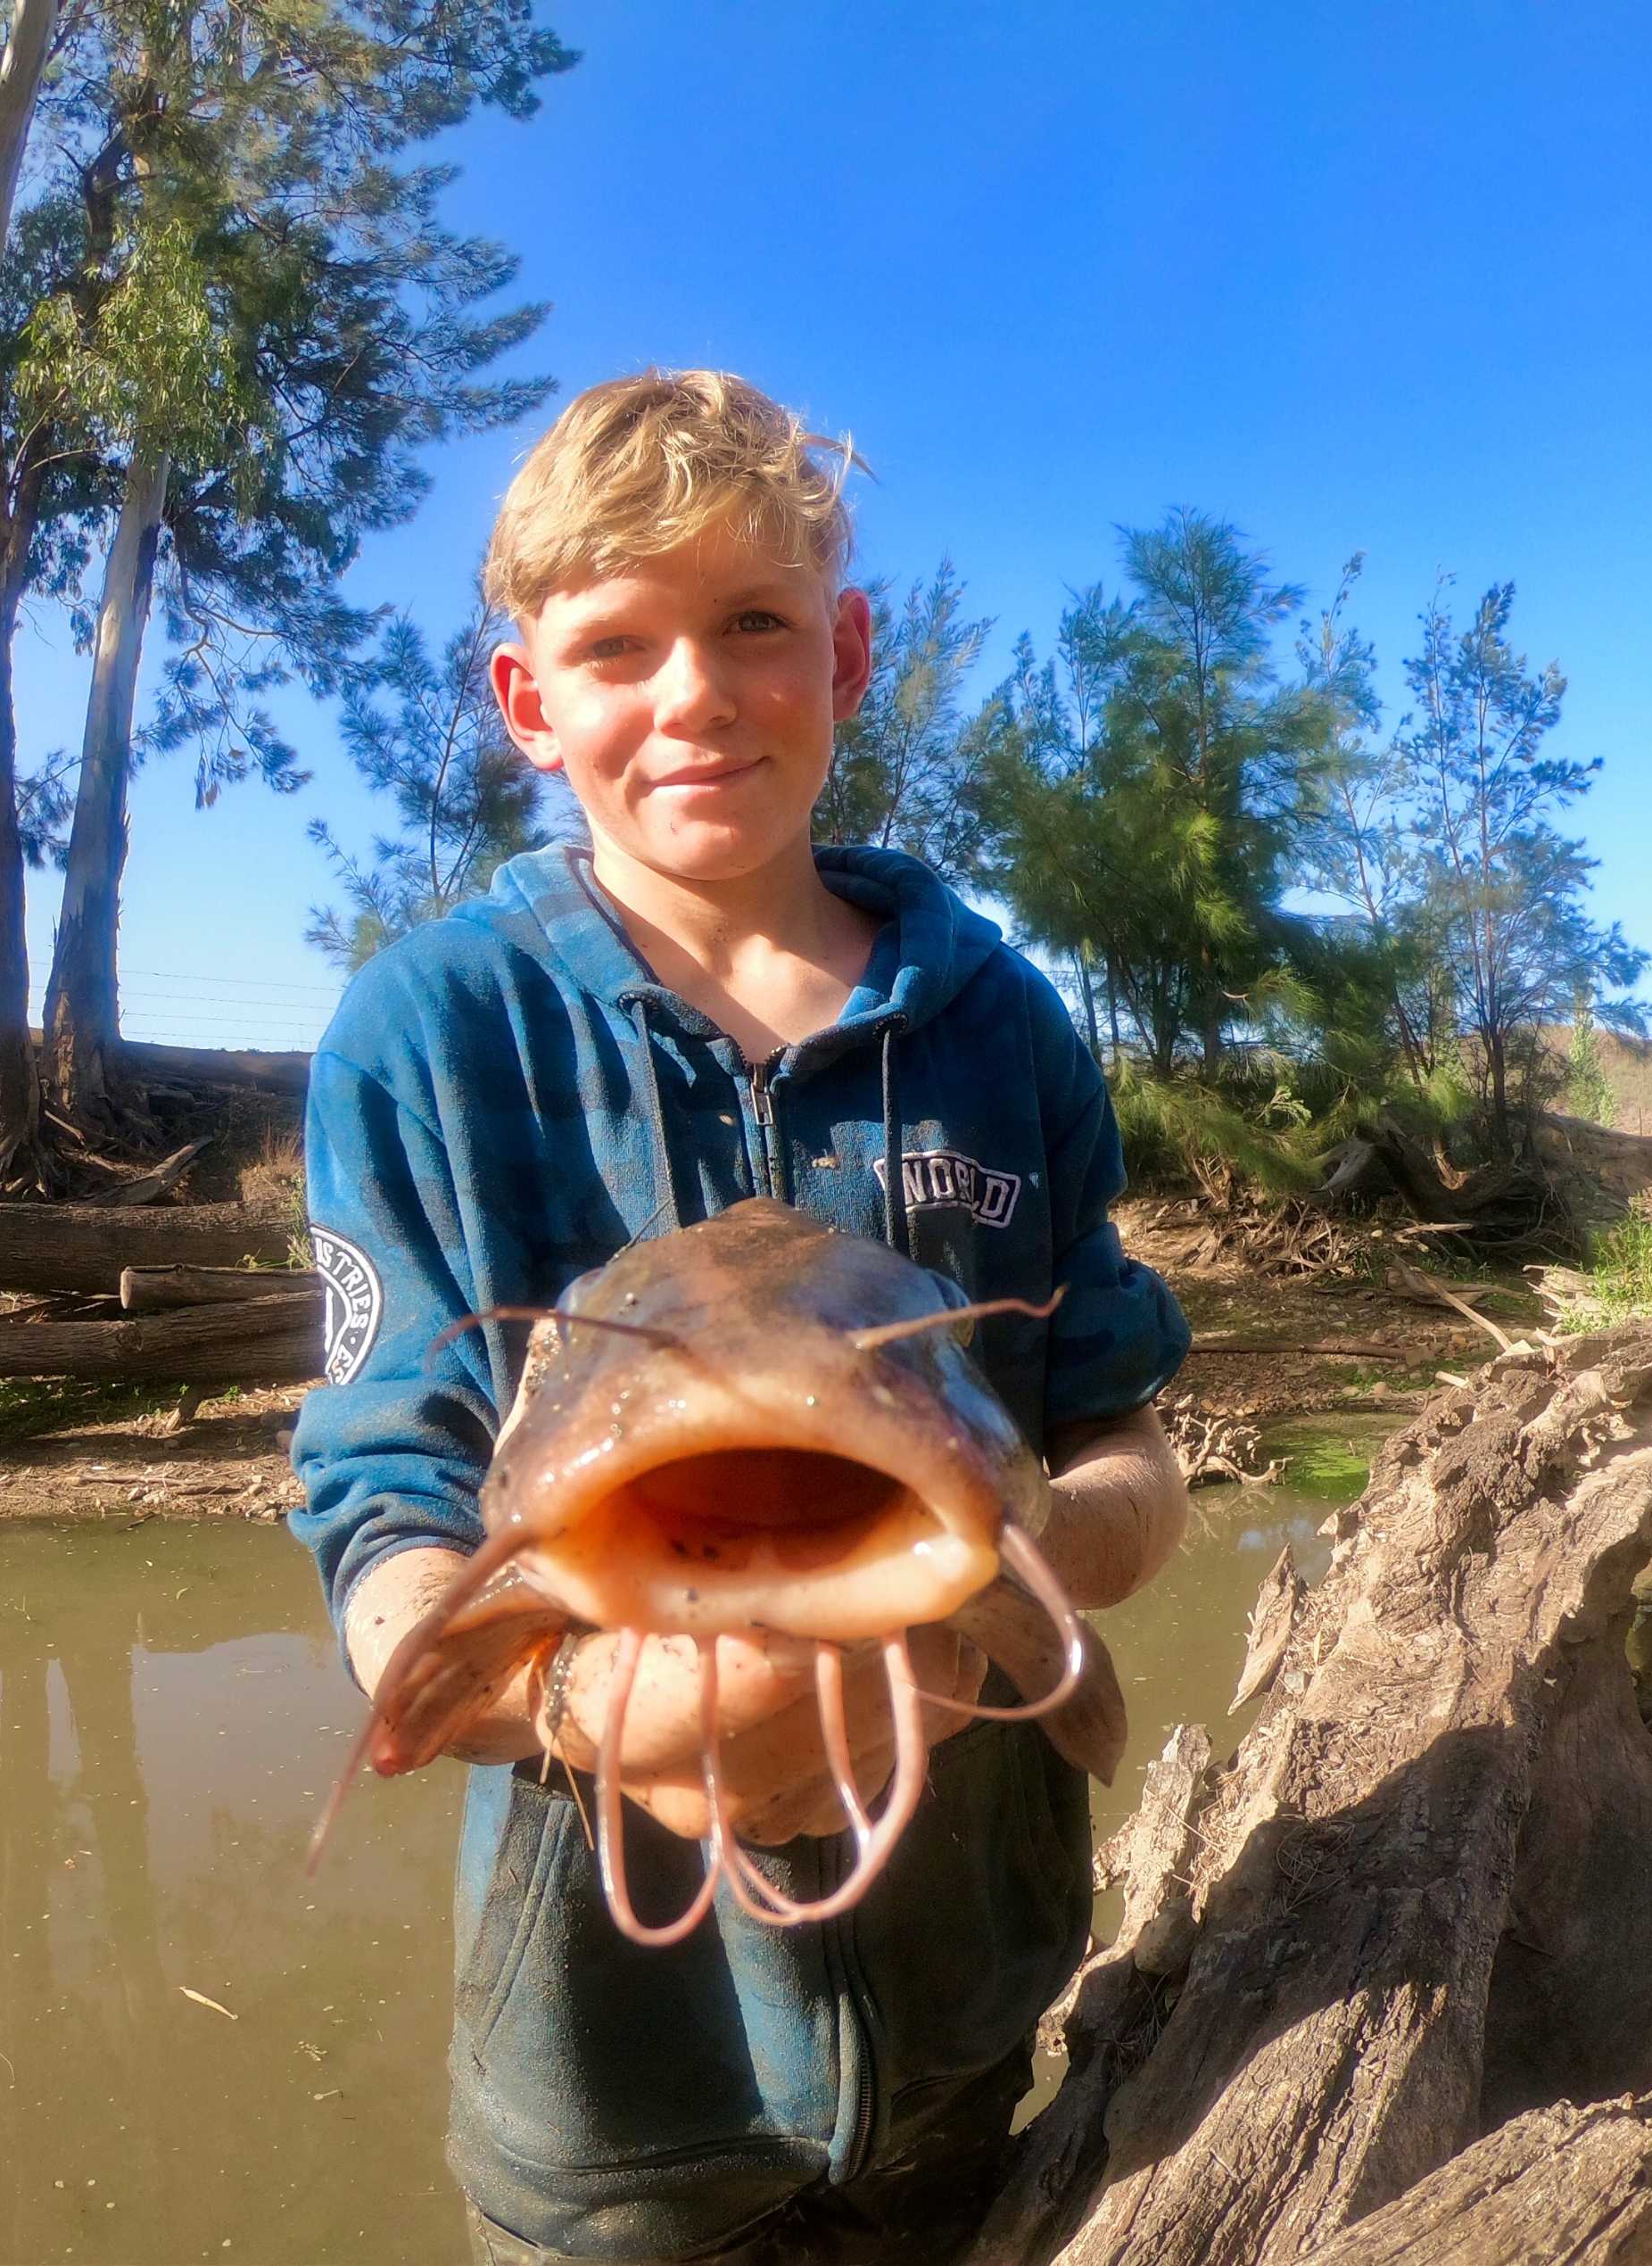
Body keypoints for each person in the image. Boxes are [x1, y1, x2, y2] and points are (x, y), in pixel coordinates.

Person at [289, 369, 1193, 2265]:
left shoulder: (1002, 1025)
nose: (690, 694)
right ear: (529, 701)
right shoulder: (426, 1038)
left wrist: (1025, 1562)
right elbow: (383, 1514)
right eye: (616, 644)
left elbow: (1132, 1439)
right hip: (611, 2114)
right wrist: (557, 1694)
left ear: (849, 656)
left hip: (972, 2033)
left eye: (753, 626)